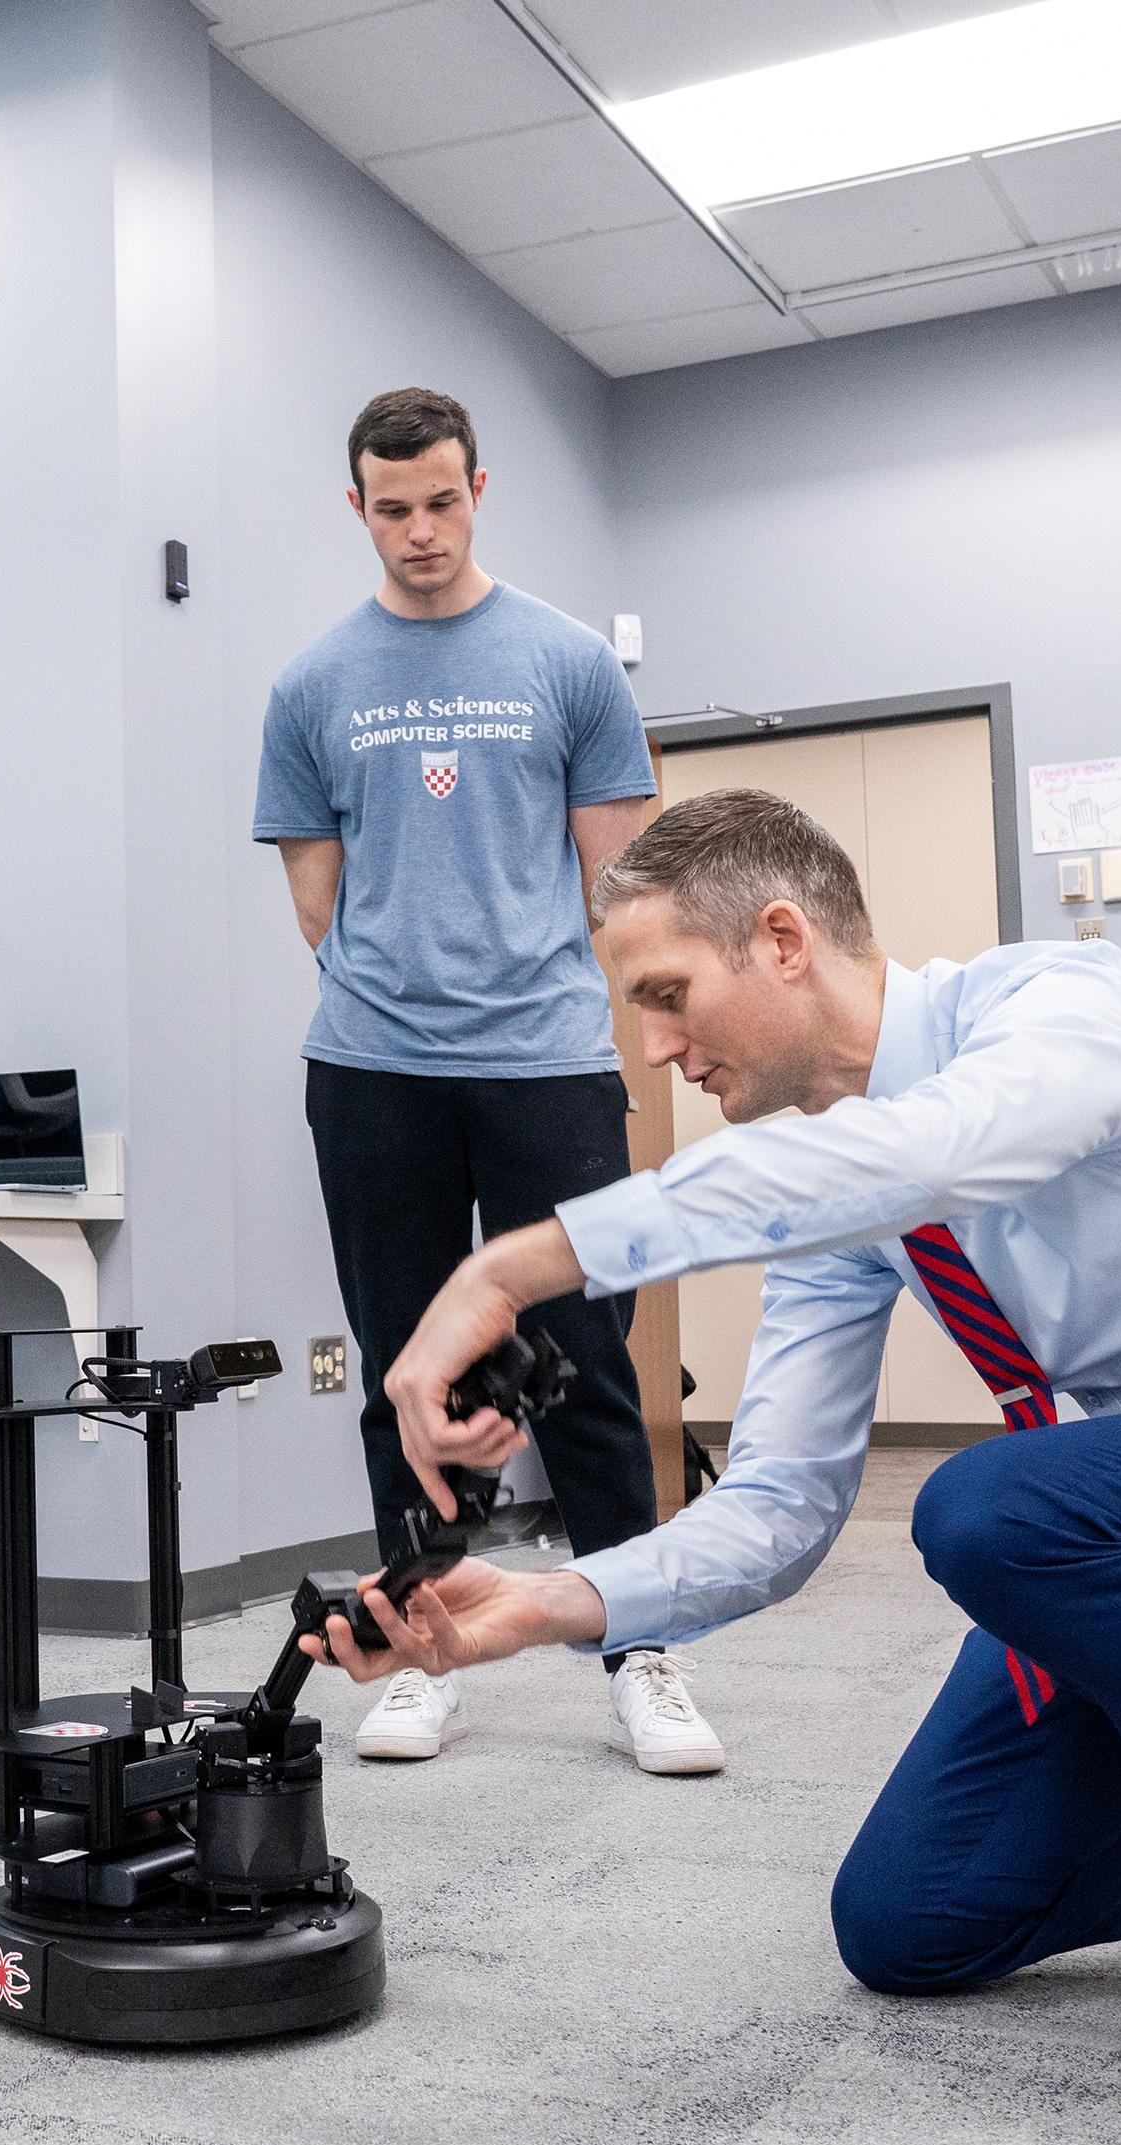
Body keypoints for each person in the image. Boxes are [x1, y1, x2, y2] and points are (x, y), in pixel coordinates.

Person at [311, 788, 1121, 2100]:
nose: (660, 1047)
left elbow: (936, 1151)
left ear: (782, 939)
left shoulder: (1059, 1009)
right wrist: (543, 1603)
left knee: (988, 1510)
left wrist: (510, 1267)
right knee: (914, 1921)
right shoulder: (847, 1201)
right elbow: (776, 1508)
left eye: (669, 996)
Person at [251, 387, 723, 1775]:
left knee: (587, 1366)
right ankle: (419, 1648)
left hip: (548, 1066)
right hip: (373, 1071)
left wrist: (524, 979)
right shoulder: (310, 687)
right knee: (403, 1370)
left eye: (442, 501)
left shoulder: (570, 664)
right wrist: (409, 981)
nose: (421, 530)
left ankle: (641, 1651)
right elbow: (317, 904)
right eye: (392, 508)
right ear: (357, 508)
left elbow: (624, 889)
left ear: (478, 490)